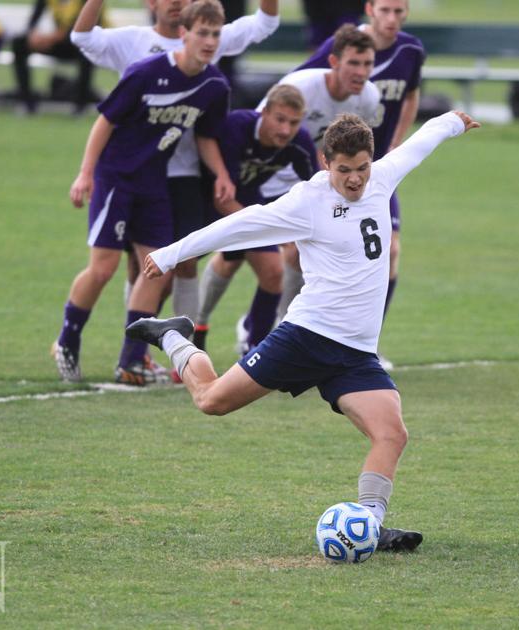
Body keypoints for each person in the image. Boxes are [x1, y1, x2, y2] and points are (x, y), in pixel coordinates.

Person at [126, 110, 480, 552]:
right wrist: (172, 253)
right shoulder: (307, 202)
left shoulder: (382, 178)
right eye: (344, 170)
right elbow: (240, 225)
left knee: (392, 434)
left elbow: (419, 144)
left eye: (362, 168)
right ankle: (173, 335)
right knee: (212, 401)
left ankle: (368, 526)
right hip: (306, 337)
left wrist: (452, 121)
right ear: (326, 162)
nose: (355, 179)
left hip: (356, 353)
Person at [71, 0, 279, 341]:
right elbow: (82, 39)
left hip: (184, 171)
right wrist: (86, 171)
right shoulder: (135, 44)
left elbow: (265, 23)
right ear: (152, 4)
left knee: (181, 260)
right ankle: (133, 349)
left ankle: (181, 346)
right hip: (133, 169)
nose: (178, 3)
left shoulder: (210, 38)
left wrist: (220, 174)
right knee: (133, 266)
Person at [52, 0, 232, 383]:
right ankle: (67, 339)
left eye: (216, 34)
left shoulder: (215, 85)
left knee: (156, 270)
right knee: (103, 268)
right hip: (116, 177)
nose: (209, 41)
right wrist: (85, 174)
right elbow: (105, 122)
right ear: (183, 34)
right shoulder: (146, 72)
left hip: (154, 182)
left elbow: (205, 136)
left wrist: (221, 174)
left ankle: (131, 360)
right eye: (202, 32)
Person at [298, 0, 425, 365]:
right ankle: (275, 329)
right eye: (385, 10)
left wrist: (396, 144)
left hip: (375, 172)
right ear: (370, 8)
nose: (392, 18)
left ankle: (365, 344)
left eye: (399, 11)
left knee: (391, 251)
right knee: (301, 256)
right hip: (333, 171)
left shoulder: (411, 51)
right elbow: (301, 92)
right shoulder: (345, 45)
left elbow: (410, 95)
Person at [256, 24, 380, 326]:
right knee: (232, 258)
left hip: (315, 181)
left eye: (367, 64)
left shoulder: (369, 97)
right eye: (353, 63)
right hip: (268, 178)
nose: (361, 72)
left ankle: (282, 326)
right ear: (334, 62)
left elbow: (353, 149)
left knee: (298, 254)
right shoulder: (300, 87)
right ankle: (207, 322)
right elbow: (258, 128)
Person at [193, 84, 320, 354]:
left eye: (294, 122)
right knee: (185, 268)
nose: (285, 130)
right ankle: (196, 327)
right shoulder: (236, 127)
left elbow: (318, 189)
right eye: (280, 119)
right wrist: (272, 229)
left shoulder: (299, 141)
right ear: (264, 112)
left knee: (272, 273)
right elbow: (221, 197)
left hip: (246, 200)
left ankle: (255, 351)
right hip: (203, 197)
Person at [12, 0, 102, 114]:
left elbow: (89, 29)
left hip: (96, 42)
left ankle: (80, 103)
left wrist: (52, 38)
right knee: (20, 43)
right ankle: (27, 101)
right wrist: (33, 35)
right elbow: (33, 21)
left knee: (85, 51)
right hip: (64, 41)